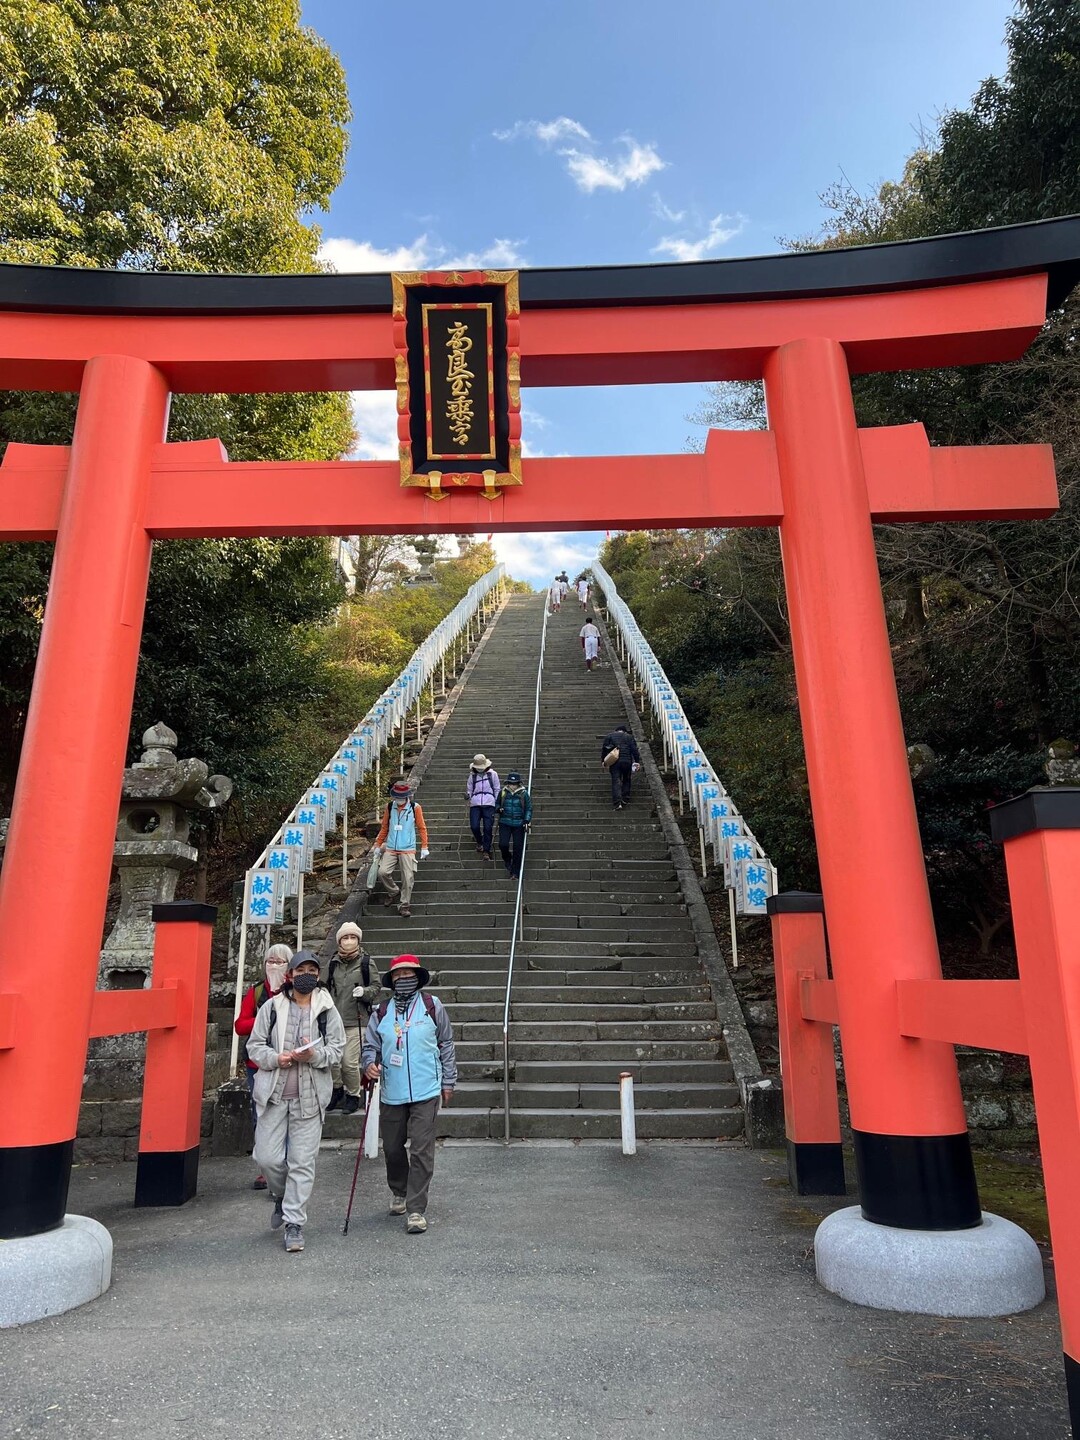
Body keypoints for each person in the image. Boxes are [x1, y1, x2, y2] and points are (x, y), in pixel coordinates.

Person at [247, 950, 346, 1253]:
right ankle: (281, 1196)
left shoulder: (327, 1008)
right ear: (289, 975)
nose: (307, 975)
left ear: (318, 976)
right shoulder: (272, 1007)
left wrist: (314, 1055)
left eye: (313, 971)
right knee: (267, 1158)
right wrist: (277, 1058)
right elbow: (254, 1047)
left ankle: (294, 1223)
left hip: (310, 1098)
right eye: (300, 970)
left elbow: (337, 1050)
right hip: (275, 1096)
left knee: (302, 1162)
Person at [362, 954, 457, 1234]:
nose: (404, 980)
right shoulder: (381, 1011)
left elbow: (446, 1042)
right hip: (392, 1091)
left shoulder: (432, 1006)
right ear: (391, 981)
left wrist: (448, 1081)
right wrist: (369, 1064)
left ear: (418, 978)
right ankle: (400, 1190)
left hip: (426, 1089)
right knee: (392, 1149)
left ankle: (416, 1209)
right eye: (399, 976)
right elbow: (370, 1046)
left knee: (421, 1150)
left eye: (409, 975)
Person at [233, 943, 291, 1190]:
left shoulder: (295, 990)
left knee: (287, 1114)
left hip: (287, 1061)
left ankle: (286, 1164)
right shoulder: (256, 992)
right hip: (257, 1063)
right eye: (271, 960)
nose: (275, 965)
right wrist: (266, 1017)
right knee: (260, 1114)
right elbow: (240, 1025)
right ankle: (265, 1168)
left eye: (280, 961)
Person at [326, 921, 381, 1114]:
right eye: (345, 937)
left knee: (349, 1062)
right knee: (333, 1061)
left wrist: (364, 992)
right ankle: (336, 1089)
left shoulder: (366, 962)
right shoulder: (333, 963)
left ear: (358, 940)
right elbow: (325, 987)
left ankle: (353, 1094)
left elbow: (376, 986)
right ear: (339, 941)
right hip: (334, 1020)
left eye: (353, 937)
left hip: (357, 1019)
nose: (349, 941)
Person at [372, 779, 430, 919]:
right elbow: (385, 827)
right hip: (391, 847)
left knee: (408, 878)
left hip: (408, 848)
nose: (398, 799)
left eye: (400, 797)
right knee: (382, 872)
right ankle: (393, 891)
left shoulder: (415, 808)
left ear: (407, 796)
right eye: (396, 796)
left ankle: (404, 905)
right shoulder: (390, 806)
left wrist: (424, 846)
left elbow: (422, 828)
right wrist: (378, 844)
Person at [496, 770, 532, 878]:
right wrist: (499, 809)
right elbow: (497, 803)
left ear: (518, 783)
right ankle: (507, 858)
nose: (512, 786)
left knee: (518, 847)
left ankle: (515, 871)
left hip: (519, 823)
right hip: (504, 822)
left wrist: (526, 819)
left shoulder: (524, 793)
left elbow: (529, 808)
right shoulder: (503, 792)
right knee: (503, 844)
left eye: (514, 783)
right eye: (510, 783)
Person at [465, 753, 500, 862]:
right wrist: (468, 796)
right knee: (474, 826)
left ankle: (486, 850)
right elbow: (469, 789)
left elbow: (497, 789)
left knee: (488, 827)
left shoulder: (493, 774)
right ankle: (480, 842)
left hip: (489, 803)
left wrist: (496, 802)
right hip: (475, 803)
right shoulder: (472, 776)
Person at [600, 722, 642, 810]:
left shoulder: (610, 736)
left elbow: (605, 749)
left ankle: (617, 803)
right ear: (625, 731)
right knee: (626, 779)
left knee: (616, 781)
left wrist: (603, 761)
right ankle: (625, 798)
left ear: (616, 731)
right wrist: (637, 761)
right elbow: (634, 750)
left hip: (614, 761)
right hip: (627, 761)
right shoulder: (629, 737)